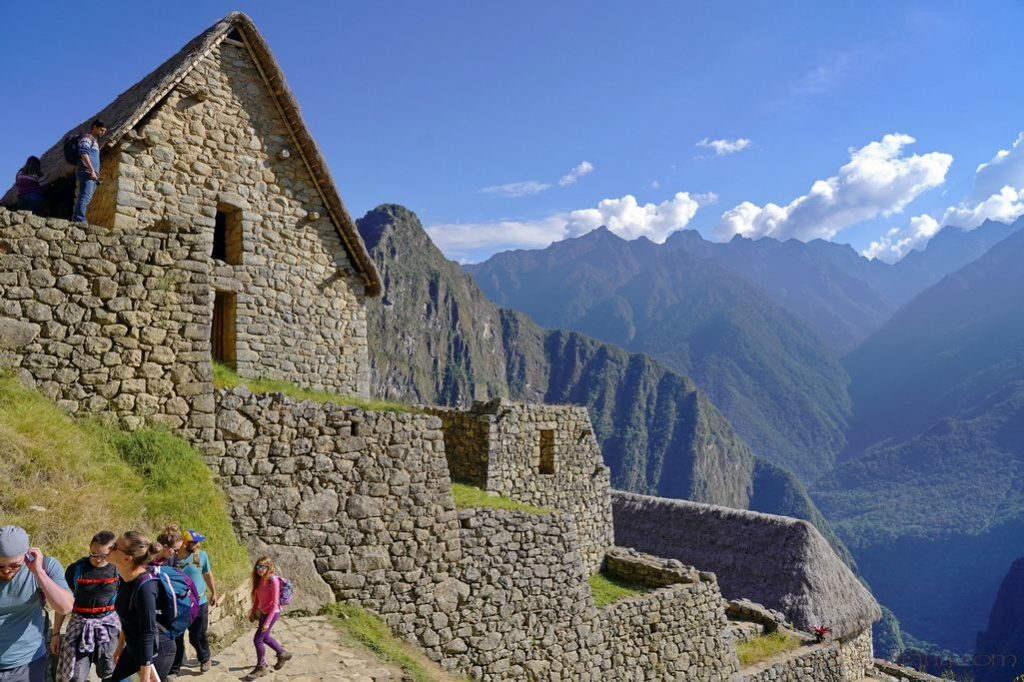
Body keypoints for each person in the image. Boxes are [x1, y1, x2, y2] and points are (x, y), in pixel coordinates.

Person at [0, 525, 74, 682]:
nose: (7, 570)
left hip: (27, 664)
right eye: (0, 566)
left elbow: (65, 606)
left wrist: (38, 572)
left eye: (14, 565)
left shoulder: (46, 566)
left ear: (27, 555)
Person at [51, 531, 121, 682]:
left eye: (104, 555)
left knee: (109, 672)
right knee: (76, 676)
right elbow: (63, 603)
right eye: (94, 554)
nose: (98, 560)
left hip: (108, 626)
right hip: (79, 626)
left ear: (113, 551)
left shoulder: (119, 570)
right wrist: (56, 634)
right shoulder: (75, 570)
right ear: (90, 548)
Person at [107, 531, 176, 682]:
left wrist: (144, 676)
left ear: (127, 558)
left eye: (114, 546)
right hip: (134, 648)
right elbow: (129, 617)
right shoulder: (126, 578)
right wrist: (120, 646)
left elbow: (148, 632)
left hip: (156, 651)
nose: (109, 547)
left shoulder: (146, 587)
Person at [168, 530, 217, 678]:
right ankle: (174, 669)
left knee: (197, 635)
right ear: (184, 543)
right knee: (176, 636)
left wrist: (214, 592)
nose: (198, 544)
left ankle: (205, 658)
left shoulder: (201, 556)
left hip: (199, 602)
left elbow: (207, 574)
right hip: (178, 604)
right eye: (195, 542)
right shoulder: (172, 558)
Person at [245, 556, 290, 680]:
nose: (259, 569)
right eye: (258, 566)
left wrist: (267, 622)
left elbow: (275, 604)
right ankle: (282, 653)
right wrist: (253, 612)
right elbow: (257, 598)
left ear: (268, 567)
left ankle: (261, 667)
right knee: (265, 637)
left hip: (273, 612)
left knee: (258, 639)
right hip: (265, 611)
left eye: (262, 567)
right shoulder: (260, 579)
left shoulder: (273, 580)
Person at [71, 119, 106, 223]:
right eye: (101, 130)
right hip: (86, 171)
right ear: (94, 127)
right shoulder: (87, 137)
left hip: (91, 173)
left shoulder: (95, 142)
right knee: (85, 196)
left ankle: (77, 219)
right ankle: (79, 219)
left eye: (104, 131)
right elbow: (83, 153)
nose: (103, 133)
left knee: (87, 197)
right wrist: (92, 171)